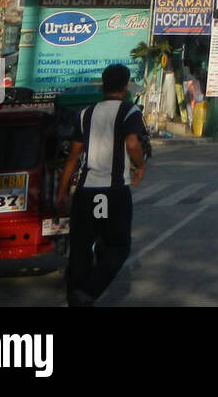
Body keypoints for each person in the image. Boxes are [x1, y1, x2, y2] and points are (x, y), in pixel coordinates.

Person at [56, 64, 147, 307]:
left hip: (86, 192)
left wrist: (62, 191)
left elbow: (73, 157)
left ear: (103, 86)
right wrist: (140, 166)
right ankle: (88, 291)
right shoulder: (130, 111)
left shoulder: (86, 114)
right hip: (112, 192)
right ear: (126, 87)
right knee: (118, 246)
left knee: (81, 248)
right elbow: (132, 144)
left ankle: (75, 295)